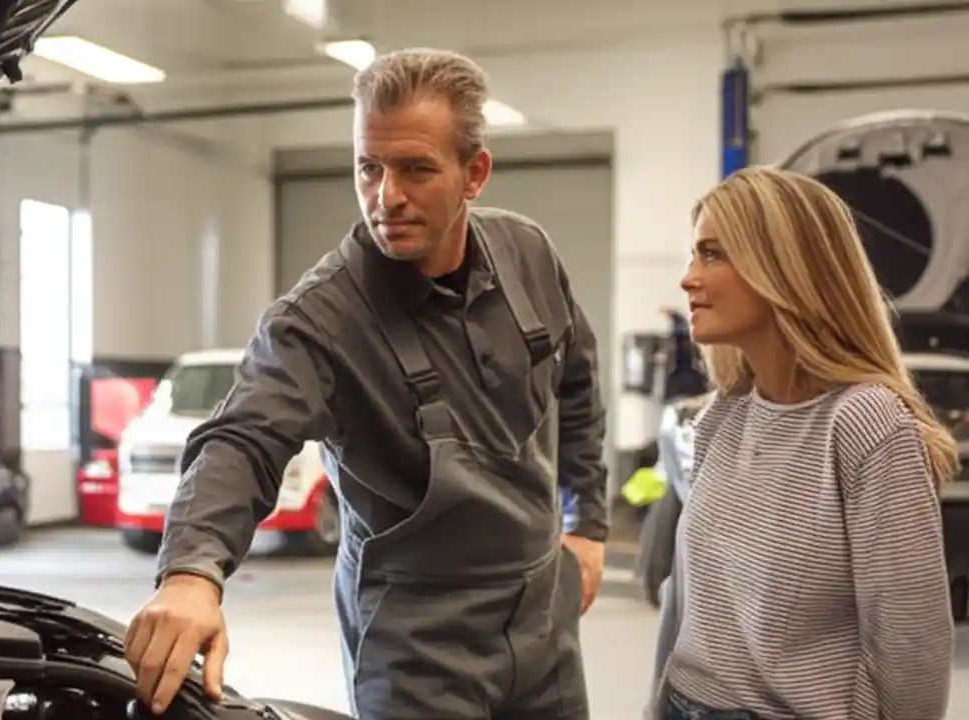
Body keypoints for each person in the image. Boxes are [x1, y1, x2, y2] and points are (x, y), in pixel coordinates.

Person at [123, 47, 609, 718]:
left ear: (474, 173)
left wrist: (587, 523)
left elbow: (577, 383)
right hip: (418, 644)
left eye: (415, 169)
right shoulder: (319, 321)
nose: (387, 196)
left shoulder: (528, 255)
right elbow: (242, 439)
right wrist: (190, 573)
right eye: (368, 167)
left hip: (543, 620)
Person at [649, 166, 958, 719]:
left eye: (712, 255)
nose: (688, 279)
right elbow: (688, 602)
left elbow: (911, 648)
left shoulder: (865, 423)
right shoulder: (725, 415)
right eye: (694, 255)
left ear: (782, 267)